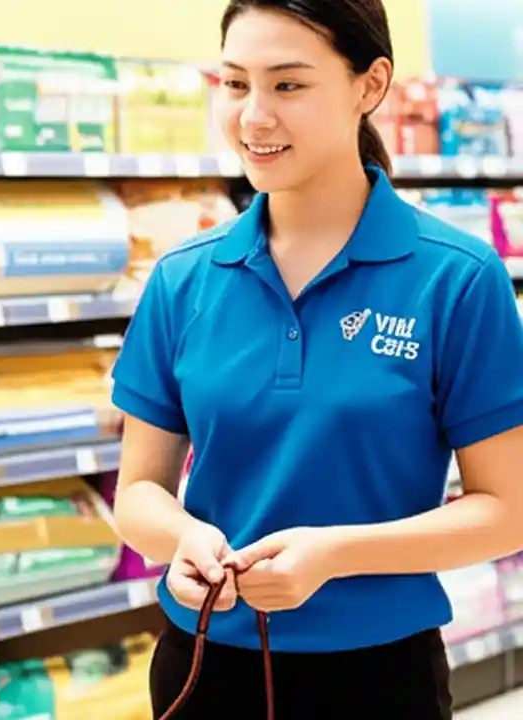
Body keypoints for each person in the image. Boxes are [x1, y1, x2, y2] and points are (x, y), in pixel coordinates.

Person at [111, 0, 523, 718]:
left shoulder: (456, 277)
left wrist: (333, 554)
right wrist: (184, 540)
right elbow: (137, 496)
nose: (254, 116)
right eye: (235, 84)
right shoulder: (183, 278)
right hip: (203, 665)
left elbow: (507, 511)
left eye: (288, 85)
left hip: (378, 676)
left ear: (370, 85)